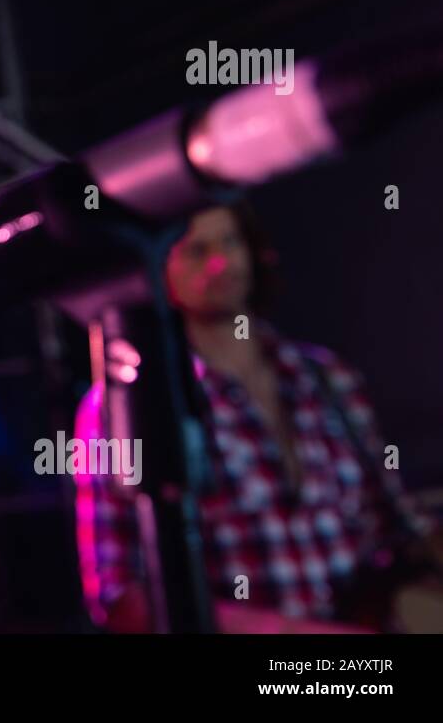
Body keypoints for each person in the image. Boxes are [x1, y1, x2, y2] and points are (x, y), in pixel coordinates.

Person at [74, 201, 440, 633]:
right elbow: (122, 601)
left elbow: (397, 529)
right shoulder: (122, 408)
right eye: (196, 250)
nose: (221, 261)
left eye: (230, 241)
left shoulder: (324, 377)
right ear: (156, 269)